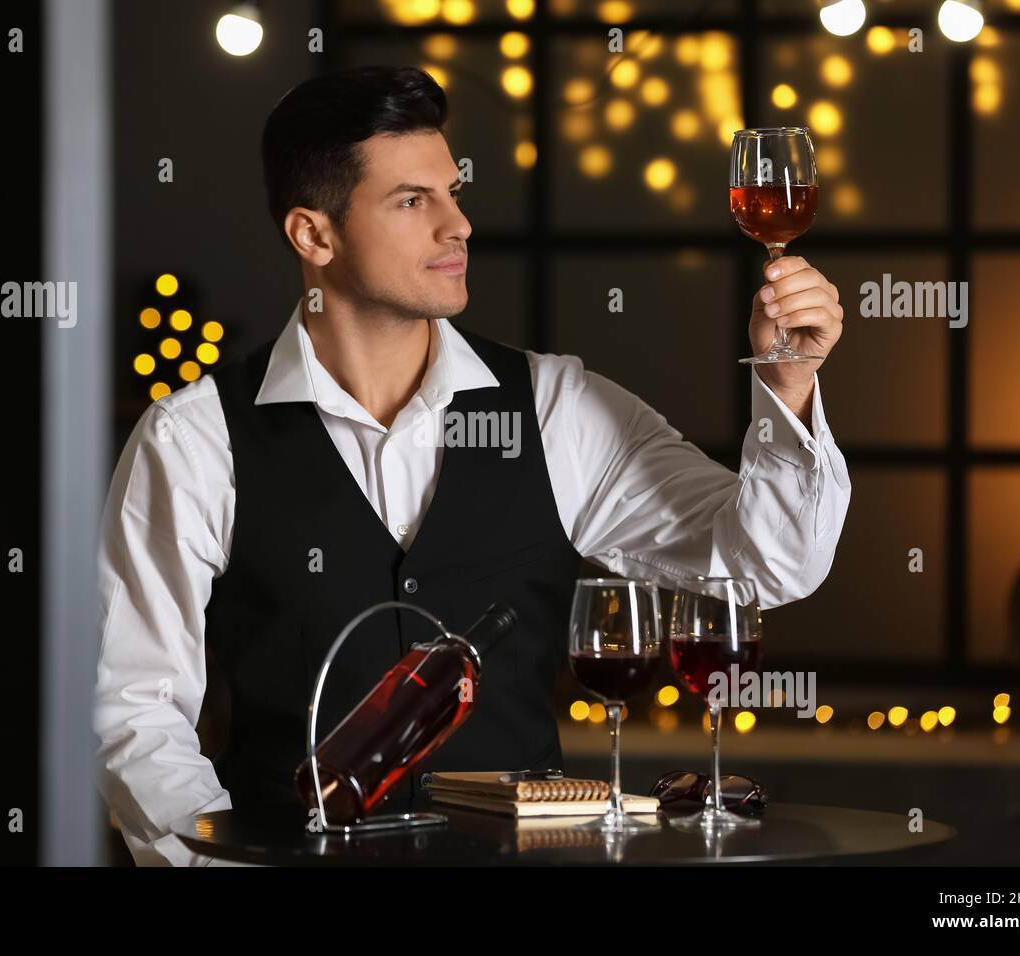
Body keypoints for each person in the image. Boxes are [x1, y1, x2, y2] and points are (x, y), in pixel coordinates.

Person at [94, 66, 850, 866]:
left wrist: (788, 386)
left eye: (453, 193)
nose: (458, 225)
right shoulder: (195, 437)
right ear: (312, 235)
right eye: (413, 201)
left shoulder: (558, 406)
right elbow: (131, 712)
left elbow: (767, 566)